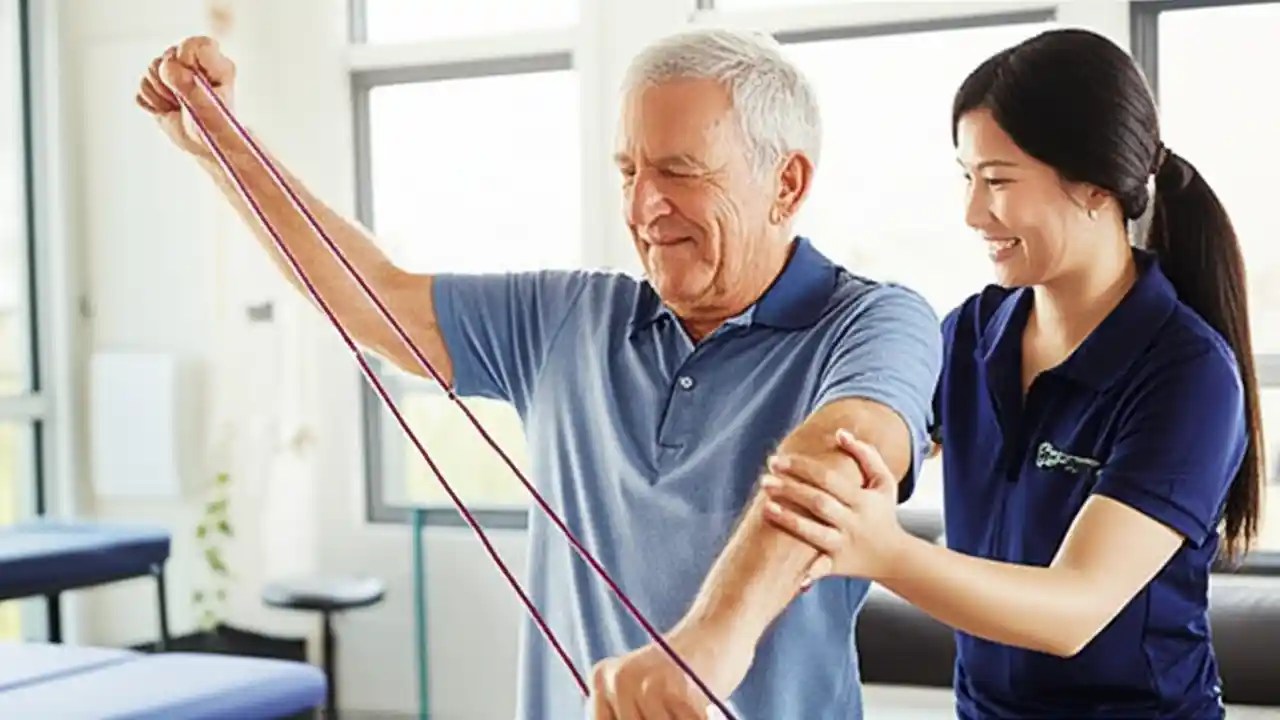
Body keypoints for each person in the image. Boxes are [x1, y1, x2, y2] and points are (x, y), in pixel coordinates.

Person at [135, 28, 941, 719]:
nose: (645, 205)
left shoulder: (874, 321)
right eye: (629, 171)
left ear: (787, 183)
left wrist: (702, 649)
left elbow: (834, 467)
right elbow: (373, 295)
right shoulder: (569, 319)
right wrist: (220, 143)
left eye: (681, 171)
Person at [758, 28, 1264, 720]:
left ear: (1093, 185)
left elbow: (1073, 609)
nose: (972, 213)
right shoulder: (971, 332)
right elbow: (876, 433)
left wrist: (883, 552)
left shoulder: (1188, 374)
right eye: (967, 178)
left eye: (997, 181)